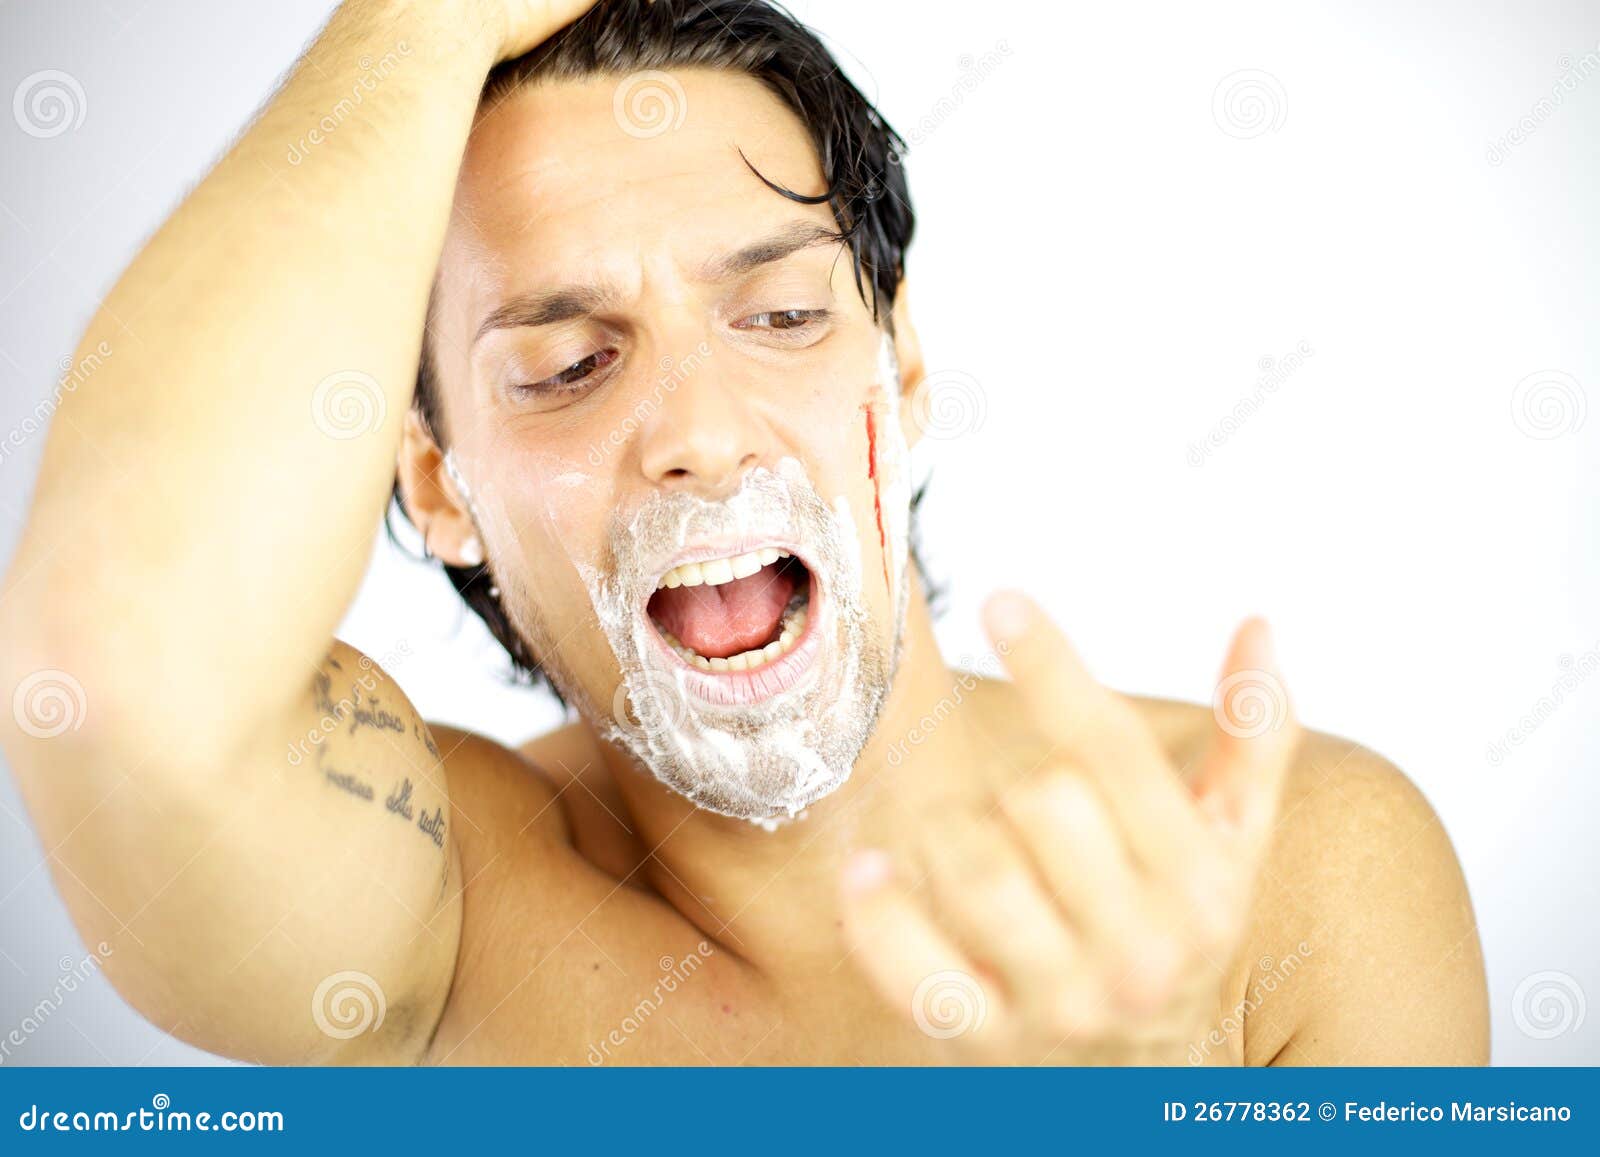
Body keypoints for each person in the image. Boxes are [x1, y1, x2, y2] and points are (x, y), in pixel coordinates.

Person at [0, 0, 1487, 1065]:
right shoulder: (432, 916)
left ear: (900, 374)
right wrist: (421, 21)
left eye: (780, 315)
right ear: (440, 486)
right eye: (571, 365)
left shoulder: (1295, 871)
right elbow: (123, 675)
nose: (700, 430)